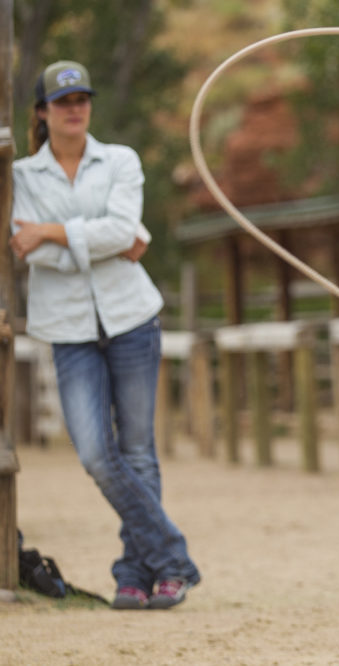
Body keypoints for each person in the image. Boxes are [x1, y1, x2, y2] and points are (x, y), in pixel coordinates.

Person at [10, 60, 200, 609]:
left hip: (132, 319)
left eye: (82, 99)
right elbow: (35, 248)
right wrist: (96, 243)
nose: (75, 109)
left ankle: (136, 577)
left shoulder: (120, 160)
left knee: (138, 450)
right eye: (63, 101)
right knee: (96, 451)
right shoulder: (21, 176)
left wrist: (54, 232)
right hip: (68, 331)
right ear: (43, 111)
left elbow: (122, 232)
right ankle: (174, 559)